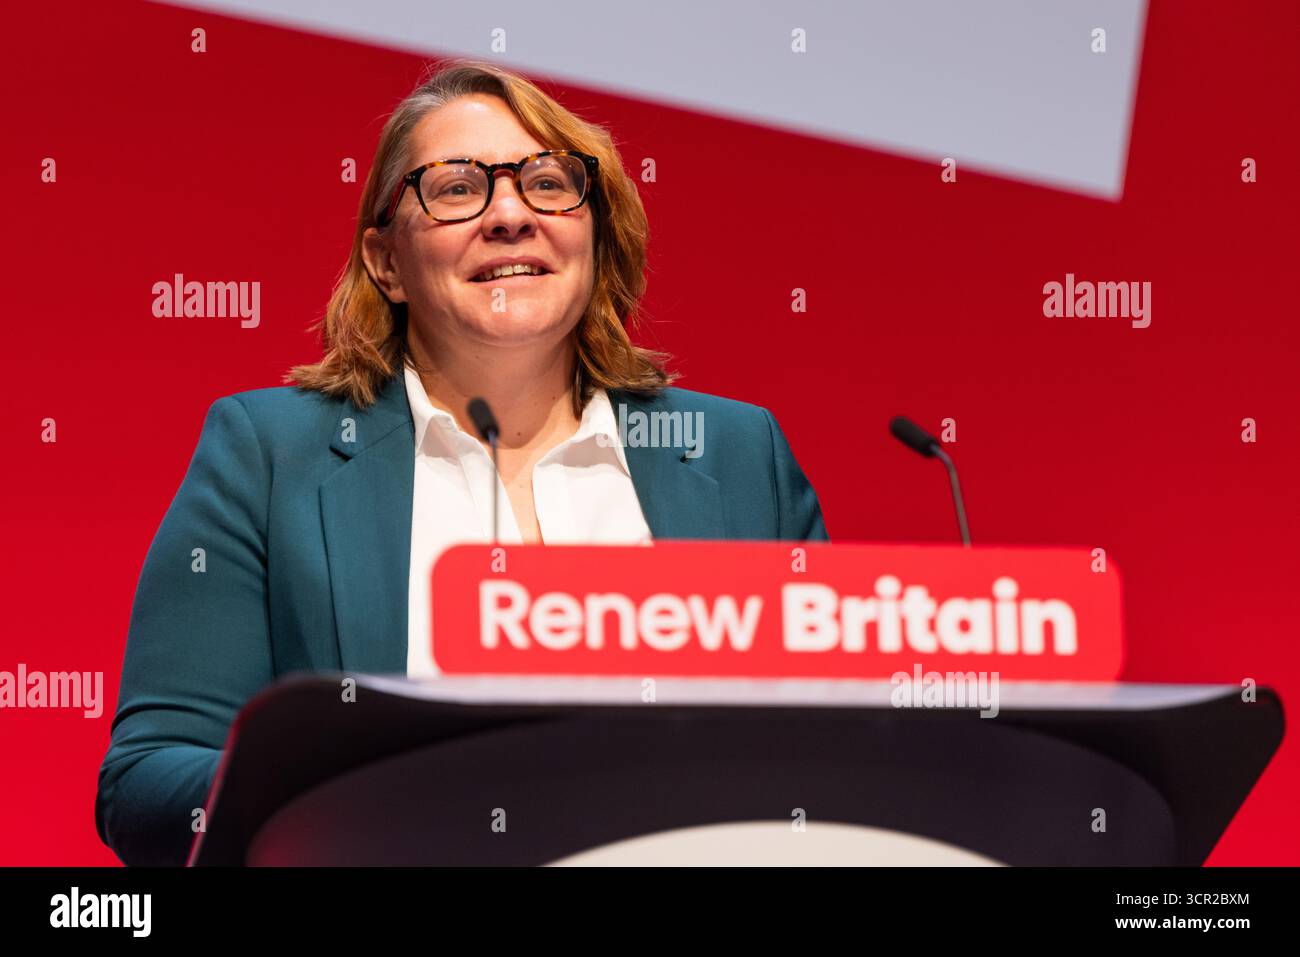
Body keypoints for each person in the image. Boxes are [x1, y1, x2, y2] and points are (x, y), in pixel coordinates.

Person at [95, 58, 829, 866]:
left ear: (594, 230)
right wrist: (355, 797)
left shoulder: (734, 455)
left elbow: (828, 761)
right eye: (454, 189)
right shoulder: (269, 455)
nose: (510, 214)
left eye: (549, 183)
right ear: (385, 259)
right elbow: (147, 779)